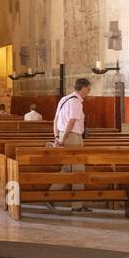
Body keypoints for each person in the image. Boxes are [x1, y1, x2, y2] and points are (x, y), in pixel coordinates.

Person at [51, 78, 92, 211]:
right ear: (83, 88)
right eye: (88, 88)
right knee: (79, 171)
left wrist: (57, 136)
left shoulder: (64, 99)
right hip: (73, 137)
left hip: (63, 135)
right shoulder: (76, 101)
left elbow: (56, 119)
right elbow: (72, 121)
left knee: (67, 169)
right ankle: (77, 205)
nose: (89, 91)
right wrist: (63, 139)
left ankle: (48, 196)